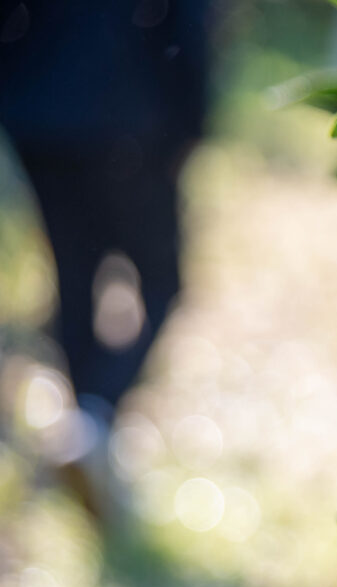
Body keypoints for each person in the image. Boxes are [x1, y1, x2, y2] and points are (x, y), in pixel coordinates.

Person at [1, 0, 212, 513]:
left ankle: (86, 431)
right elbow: (189, 22)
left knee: (74, 279)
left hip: (41, 115)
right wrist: (193, 124)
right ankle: (94, 419)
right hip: (131, 116)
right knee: (162, 282)